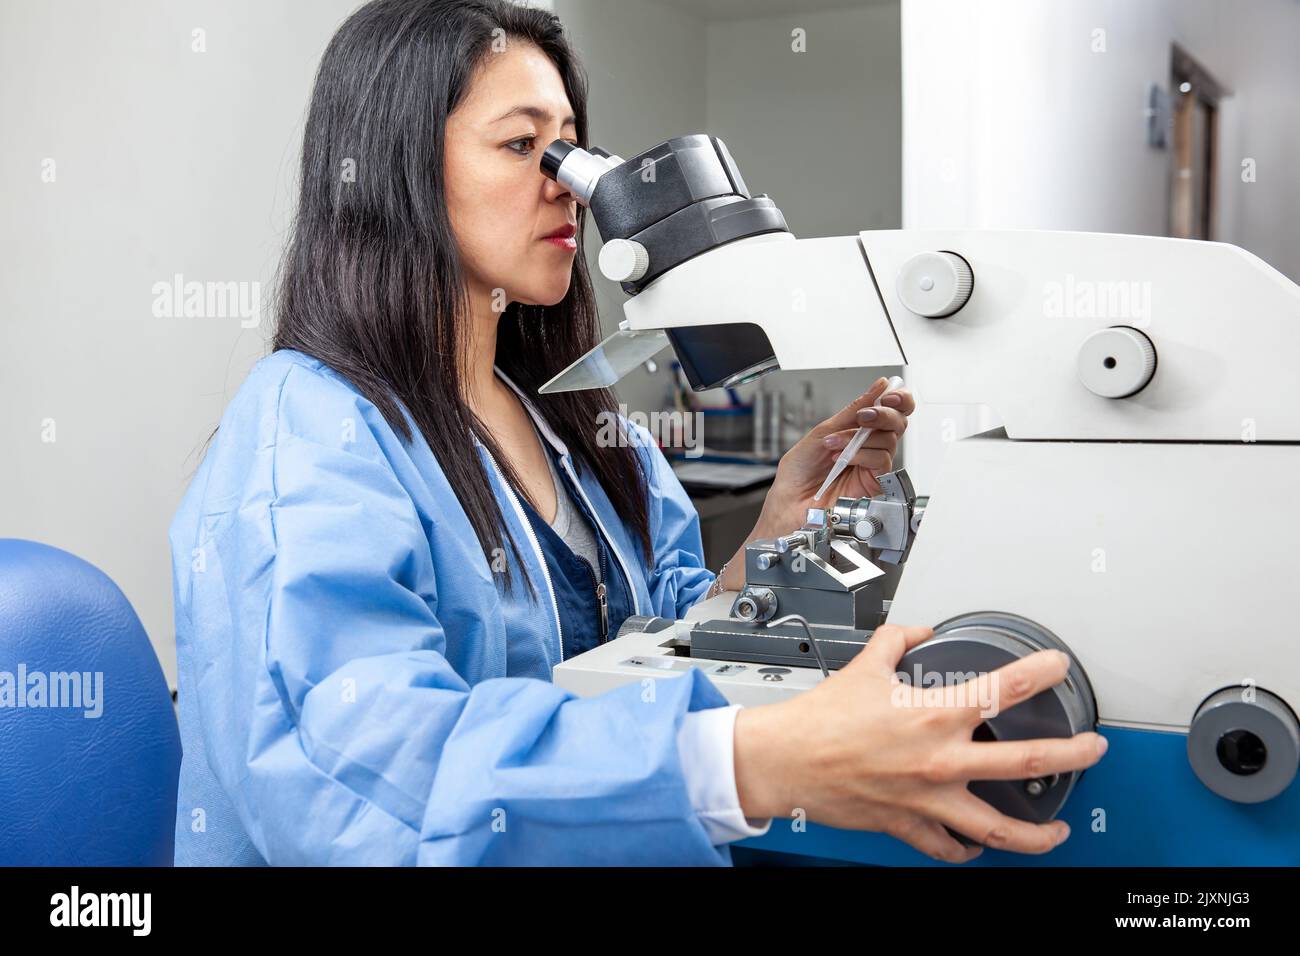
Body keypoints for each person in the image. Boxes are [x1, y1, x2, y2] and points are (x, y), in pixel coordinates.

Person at [169, 0, 1106, 866]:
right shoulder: (310, 424)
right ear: (398, 173)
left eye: (571, 147)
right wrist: (751, 764)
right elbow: (355, 772)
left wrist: (787, 546)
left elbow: (664, 641)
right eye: (523, 145)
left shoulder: (569, 416)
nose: (568, 186)